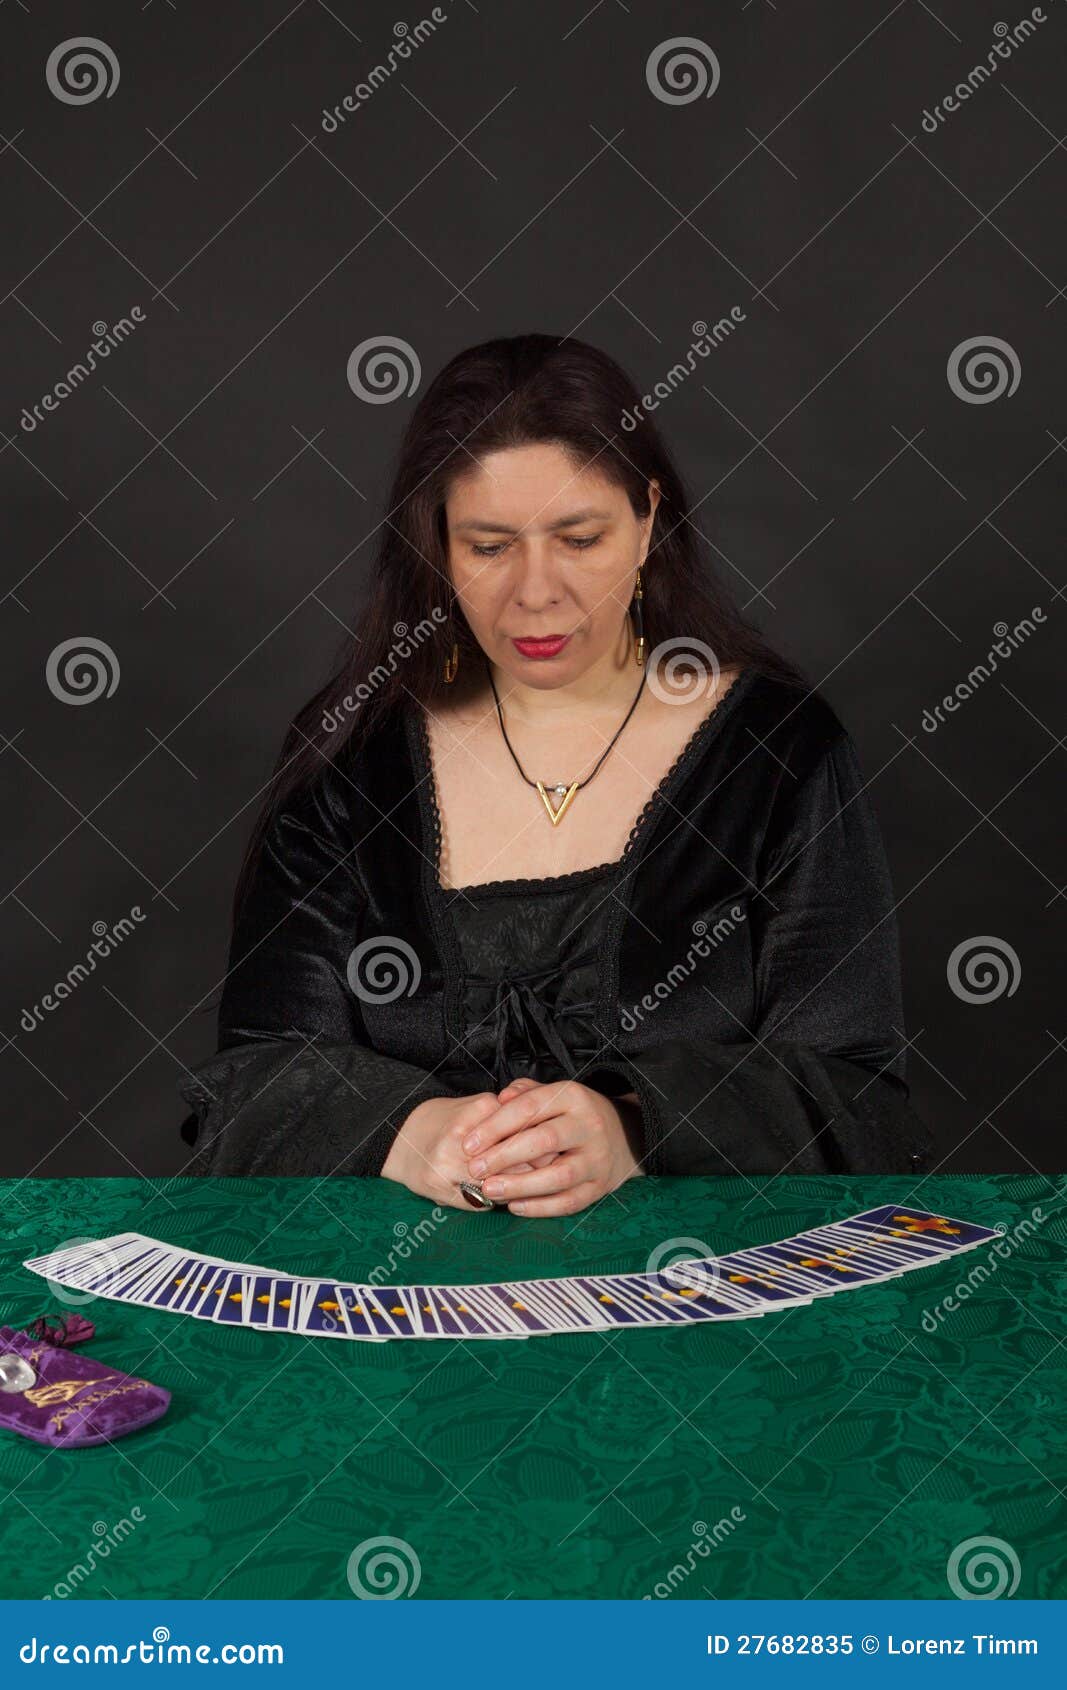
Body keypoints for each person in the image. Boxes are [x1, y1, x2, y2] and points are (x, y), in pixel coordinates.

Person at [178, 333, 932, 1209]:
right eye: (489, 547)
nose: (536, 594)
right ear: (436, 545)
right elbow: (254, 1085)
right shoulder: (351, 756)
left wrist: (634, 1128)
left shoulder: (780, 752)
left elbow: (862, 1105)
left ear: (648, 518)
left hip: (702, 1315)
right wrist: (403, 1133)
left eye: (578, 538)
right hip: (398, 1320)